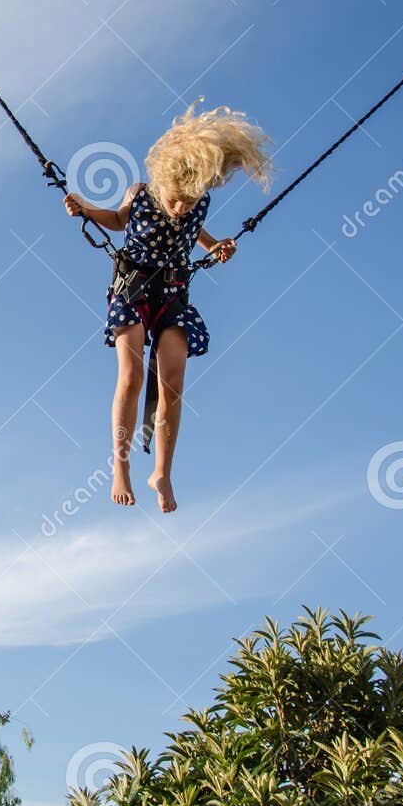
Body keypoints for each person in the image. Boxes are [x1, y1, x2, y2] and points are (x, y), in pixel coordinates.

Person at [65, 104, 273, 512]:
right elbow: (118, 220)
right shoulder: (141, 193)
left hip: (173, 294)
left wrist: (218, 247)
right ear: (165, 180)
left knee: (173, 382)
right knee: (132, 375)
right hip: (133, 290)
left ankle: (162, 472)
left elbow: (200, 236)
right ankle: (120, 466)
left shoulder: (196, 204)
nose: (181, 210)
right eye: (176, 201)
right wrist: (85, 208)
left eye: (189, 202)